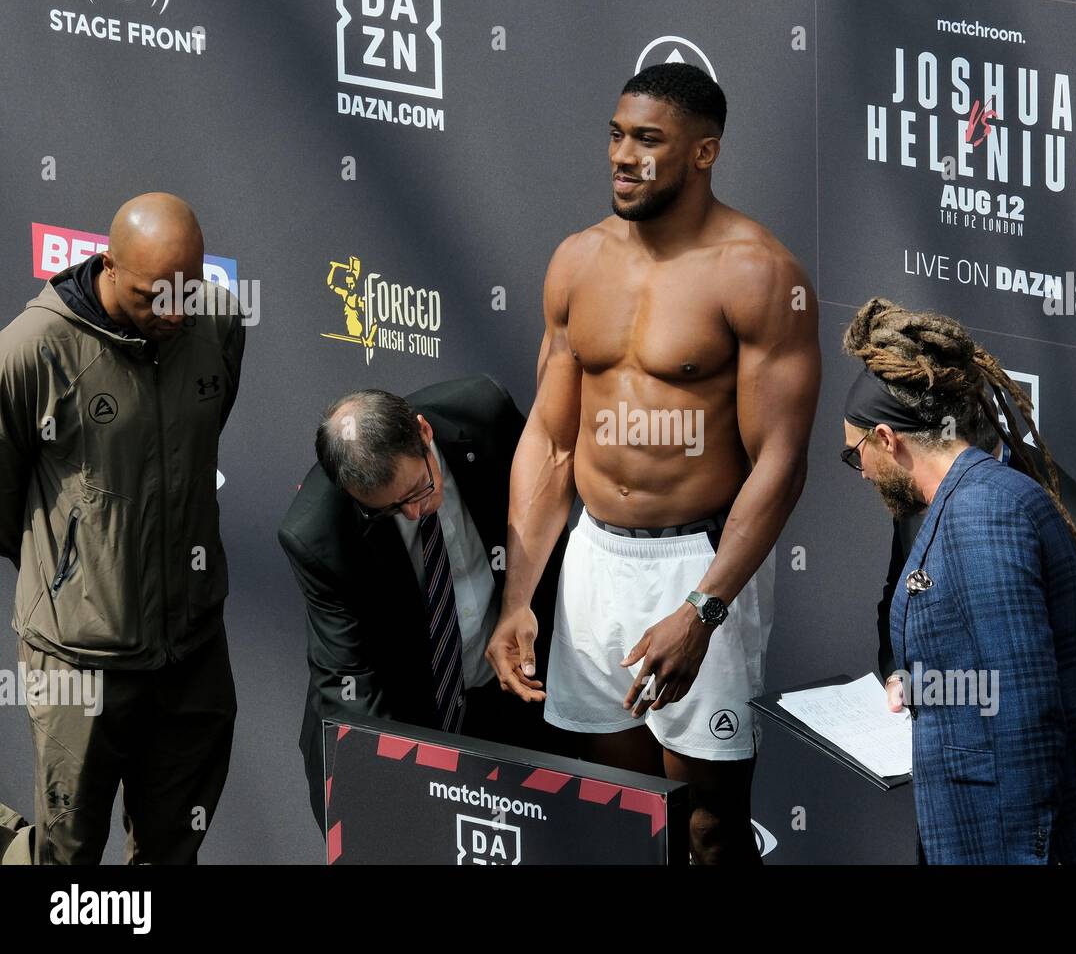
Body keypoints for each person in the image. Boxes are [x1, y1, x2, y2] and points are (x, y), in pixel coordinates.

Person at [484, 62, 820, 864]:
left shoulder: (758, 273)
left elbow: (780, 460)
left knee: (710, 824)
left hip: (696, 559)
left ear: (703, 154)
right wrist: (518, 595)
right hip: (595, 556)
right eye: (615, 135)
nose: (622, 156)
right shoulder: (577, 261)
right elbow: (552, 438)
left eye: (648, 140)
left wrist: (703, 609)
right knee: (623, 815)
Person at [840, 296, 1076, 864]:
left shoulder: (988, 518)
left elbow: (1026, 711)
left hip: (1013, 820)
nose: (861, 474)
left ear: (887, 439)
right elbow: (906, 601)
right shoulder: (932, 493)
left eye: (855, 455)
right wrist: (911, 681)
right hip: (974, 801)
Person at [0, 192, 245, 864]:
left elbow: (199, 440)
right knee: (65, 856)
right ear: (108, 265)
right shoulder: (33, 350)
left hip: (191, 647)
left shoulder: (219, 322)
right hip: (81, 658)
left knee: (172, 847)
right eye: (151, 294)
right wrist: (78, 572)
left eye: (186, 291)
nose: (172, 310)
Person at [278, 378, 569, 835]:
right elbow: (350, 684)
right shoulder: (316, 532)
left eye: (418, 490)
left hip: (507, 700)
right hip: (401, 709)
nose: (414, 514)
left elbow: (544, 506)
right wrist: (403, 788)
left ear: (424, 433)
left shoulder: (483, 415)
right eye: (390, 509)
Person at [874, 412, 1076, 805]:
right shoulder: (917, 488)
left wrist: (943, 694)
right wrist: (899, 676)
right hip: (952, 773)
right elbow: (895, 597)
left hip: (1055, 781)